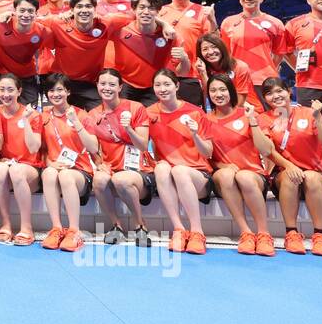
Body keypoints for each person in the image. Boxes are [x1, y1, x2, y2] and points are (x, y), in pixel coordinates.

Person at [260, 77, 322, 256]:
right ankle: (292, 234)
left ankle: (320, 235)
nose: (275, 96)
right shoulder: (263, 119)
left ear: (289, 91)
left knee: (311, 178)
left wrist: (319, 118)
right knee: (289, 177)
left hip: (316, 172)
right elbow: (268, 151)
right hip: (284, 172)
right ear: (265, 99)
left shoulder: (309, 113)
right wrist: (289, 166)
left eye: (280, 91)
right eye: (269, 94)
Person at [204, 75, 275, 256]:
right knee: (227, 176)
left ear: (231, 91)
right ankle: (246, 233)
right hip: (223, 174)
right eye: (213, 90)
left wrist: (252, 121)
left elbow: (266, 149)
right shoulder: (205, 120)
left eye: (222, 89)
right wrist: (221, 165)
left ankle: (264, 234)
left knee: (244, 176)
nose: (218, 94)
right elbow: (206, 156)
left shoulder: (249, 114)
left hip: (253, 175)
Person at [147, 68, 214, 254]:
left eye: (167, 84)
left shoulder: (196, 112)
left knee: (179, 170)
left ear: (176, 86)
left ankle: (197, 232)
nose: (162, 89)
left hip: (198, 176)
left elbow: (208, 152)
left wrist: (195, 135)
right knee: (161, 168)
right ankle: (178, 229)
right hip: (169, 176)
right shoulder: (149, 113)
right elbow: (141, 146)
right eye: (158, 85)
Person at [88, 69, 155, 246]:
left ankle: (140, 225)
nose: (107, 88)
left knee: (121, 180)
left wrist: (129, 129)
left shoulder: (136, 108)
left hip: (139, 169)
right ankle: (116, 225)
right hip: (110, 167)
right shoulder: (93, 114)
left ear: (120, 87)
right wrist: (98, 164)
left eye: (112, 84)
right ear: (97, 86)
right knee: (99, 181)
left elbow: (142, 145)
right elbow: (93, 149)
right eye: (103, 84)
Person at [38, 72, 98, 252]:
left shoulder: (81, 115)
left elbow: (93, 147)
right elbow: (41, 150)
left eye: (59, 90)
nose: (55, 94)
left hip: (80, 172)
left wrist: (76, 123)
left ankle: (74, 231)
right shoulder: (43, 116)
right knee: (48, 174)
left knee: (65, 176)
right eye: (51, 91)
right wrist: (49, 163)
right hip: (56, 168)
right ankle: (56, 228)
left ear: (68, 92)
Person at [41, 0, 122, 111]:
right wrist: (9, 14)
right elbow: (29, 19)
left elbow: (135, 16)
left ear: (95, 10)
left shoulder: (106, 23)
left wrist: (161, 23)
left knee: (101, 117)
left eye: (88, 6)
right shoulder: (58, 22)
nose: (84, 10)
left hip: (90, 84)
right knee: (62, 120)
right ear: (72, 10)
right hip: (63, 82)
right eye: (79, 6)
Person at [0, 74, 43, 245]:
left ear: (19, 91)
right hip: (5, 167)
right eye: (2, 90)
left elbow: (34, 148)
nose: (6, 94)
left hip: (30, 170)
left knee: (16, 170)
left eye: (10, 90)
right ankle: (5, 224)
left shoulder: (32, 115)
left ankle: (27, 228)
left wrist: (25, 120)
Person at [219, 0, 287, 104]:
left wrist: (267, 67)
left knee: (269, 120)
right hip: (238, 80)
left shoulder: (275, 23)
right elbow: (226, 53)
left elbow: (279, 52)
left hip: (266, 81)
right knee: (239, 121)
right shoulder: (228, 22)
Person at [111, 0, 183, 105]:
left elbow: (180, 68)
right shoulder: (120, 30)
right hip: (126, 85)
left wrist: (164, 24)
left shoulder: (169, 35)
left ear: (158, 11)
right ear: (134, 10)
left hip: (153, 87)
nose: (146, 12)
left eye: (151, 8)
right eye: (142, 7)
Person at [157, 0, 216, 107]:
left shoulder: (202, 11)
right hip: (163, 74)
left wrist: (213, 21)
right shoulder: (159, 12)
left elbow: (212, 42)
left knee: (191, 117)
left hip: (192, 75)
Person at [0, 0, 52, 106]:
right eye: (22, 10)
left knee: (30, 112)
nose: (26, 15)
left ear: (36, 13)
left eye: (30, 11)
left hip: (27, 76)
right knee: (0, 111)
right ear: (14, 11)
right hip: (0, 74)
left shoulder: (43, 31)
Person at [196, 33, 259, 111]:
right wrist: (203, 74)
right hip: (219, 111)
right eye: (205, 49)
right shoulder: (201, 69)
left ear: (222, 48)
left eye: (214, 47)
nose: (211, 52)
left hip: (247, 108)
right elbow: (207, 98)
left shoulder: (240, 67)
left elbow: (240, 101)